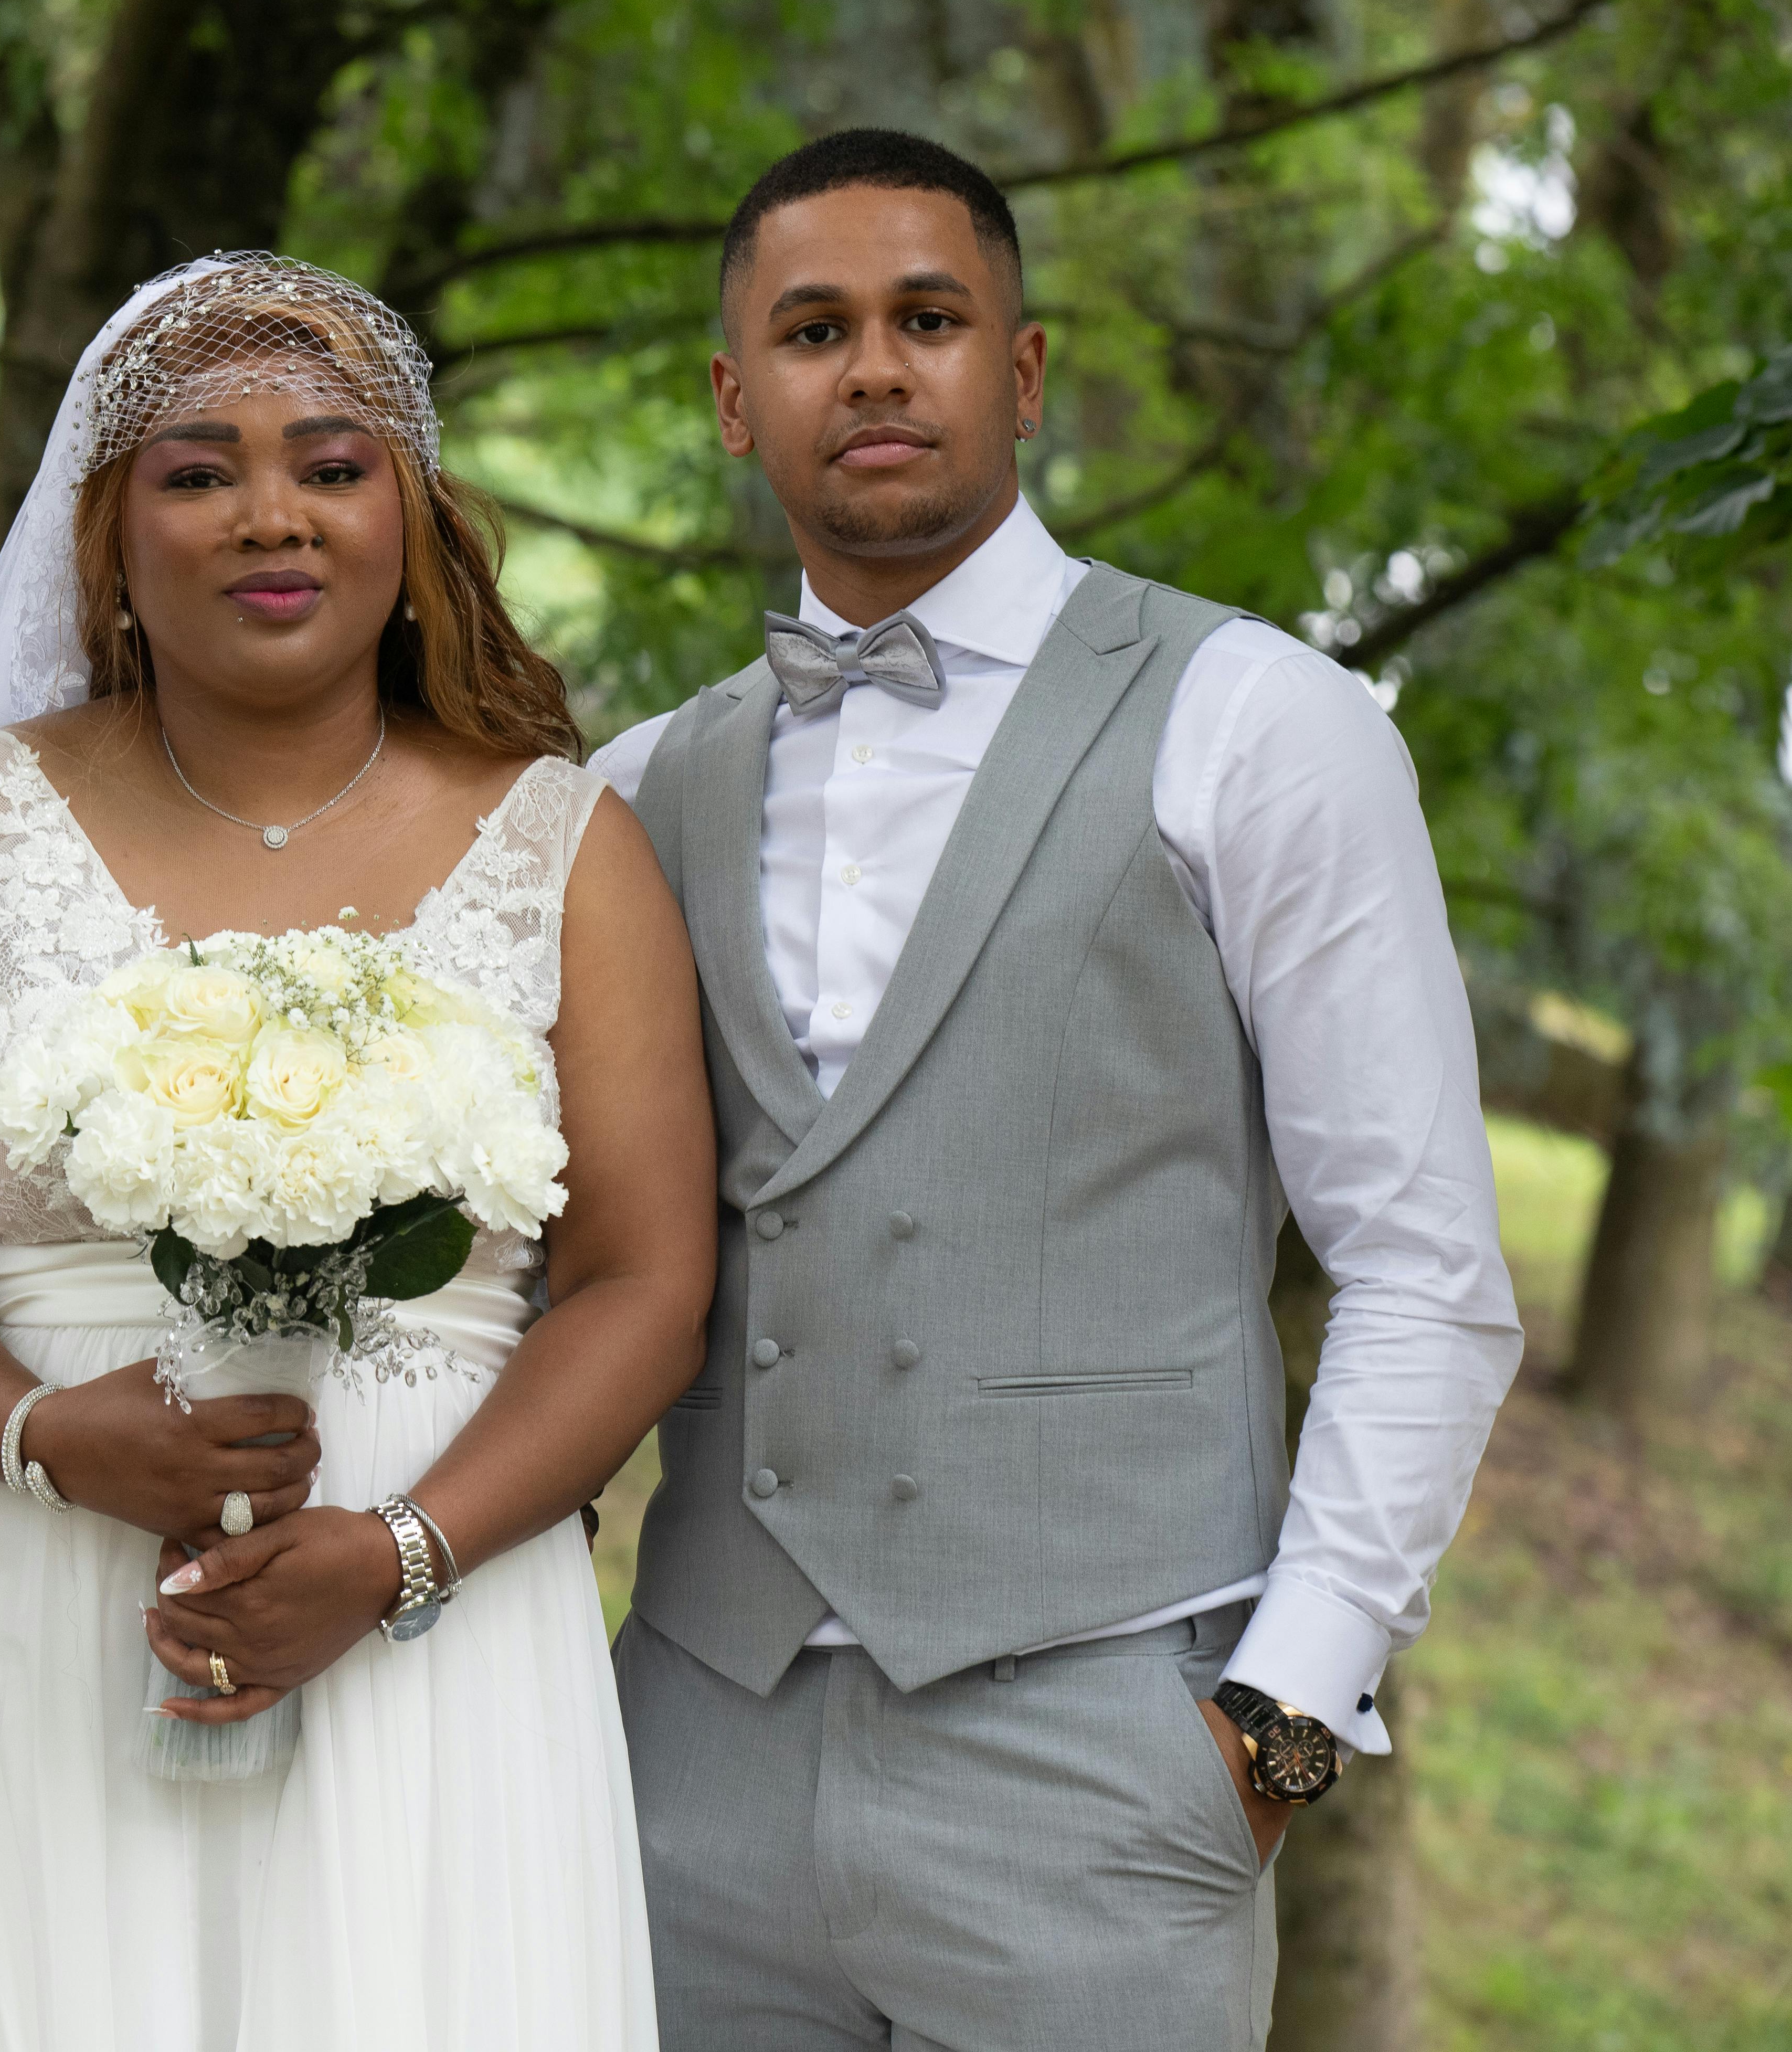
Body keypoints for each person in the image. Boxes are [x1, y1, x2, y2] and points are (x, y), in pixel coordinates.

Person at [589, 129, 1524, 2049]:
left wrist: (1281, 1718)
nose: (873, 370)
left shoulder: (1263, 723)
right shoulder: (633, 790)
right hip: (687, 1751)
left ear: (1020, 373)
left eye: (928, 319)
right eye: (813, 329)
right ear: (729, 402)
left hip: (1103, 1760)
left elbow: (1422, 1265)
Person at [0, 253, 712, 2050]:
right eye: (199, 469)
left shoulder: (567, 847)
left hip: (431, 1624)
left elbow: (644, 1283)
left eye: (333, 463)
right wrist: (42, 1437)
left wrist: (405, 1549)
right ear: (107, 535)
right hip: (37, 1600)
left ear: (412, 517)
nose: (270, 513)